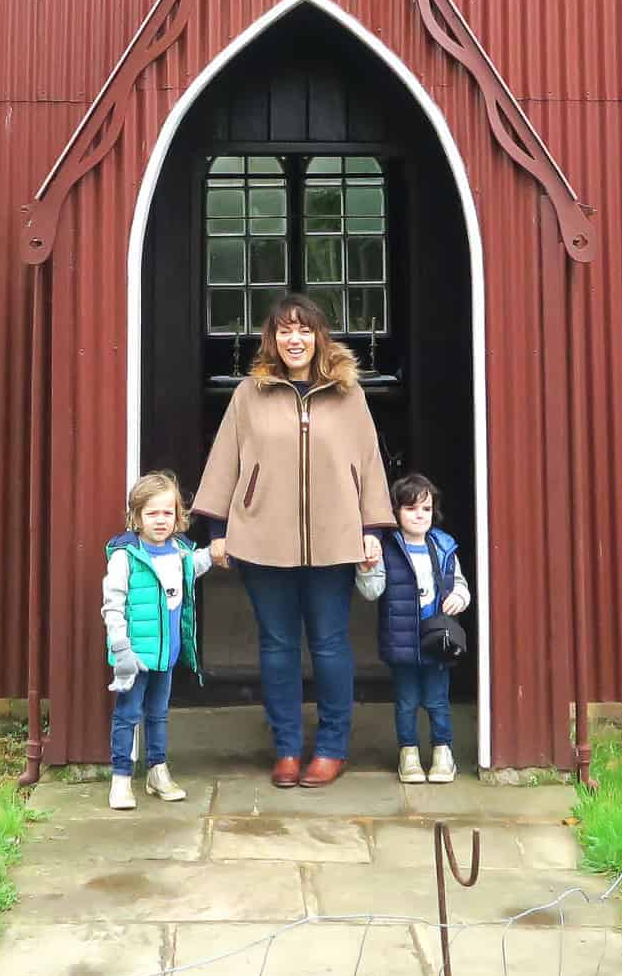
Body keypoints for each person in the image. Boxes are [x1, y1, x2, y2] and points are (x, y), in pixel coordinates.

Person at [193, 293, 392, 789]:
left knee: (329, 645)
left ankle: (330, 747)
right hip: (263, 538)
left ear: (319, 337)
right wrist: (218, 530)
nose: (294, 339)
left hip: (334, 540)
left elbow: (368, 463)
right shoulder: (249, 393)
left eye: (304, 330)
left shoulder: (349, 394)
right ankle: (285, 747)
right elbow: (225, 461)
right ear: (272, 339)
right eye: (284, 331)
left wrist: (371, 530)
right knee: (278, 646)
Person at [101, 469, 211, 812]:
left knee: (159, 714)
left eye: (168, 513)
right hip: (134, 656)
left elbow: (195, 564)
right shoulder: (126, 557)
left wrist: (220, 551)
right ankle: (121, 778)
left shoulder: (179, 552)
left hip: (167, 654)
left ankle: (157, 771)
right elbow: (113, 606)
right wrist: (122, 650)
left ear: (178, 517)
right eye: (152, 513)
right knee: (128, 714)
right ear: (136, 517)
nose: (160, 520)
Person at [356, 471, 471, 783]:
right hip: (401, 639)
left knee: (437, 699)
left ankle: (442, 751)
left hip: (437, 638)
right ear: (396, 511)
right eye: (410, 508)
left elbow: (459, 583)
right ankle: (408, 752)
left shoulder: (444, 546)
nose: (419, 515)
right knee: (406, 701)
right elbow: (372, 592)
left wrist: (460, 596)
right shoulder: (388, 548)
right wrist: (366, 569)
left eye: (426, 509)